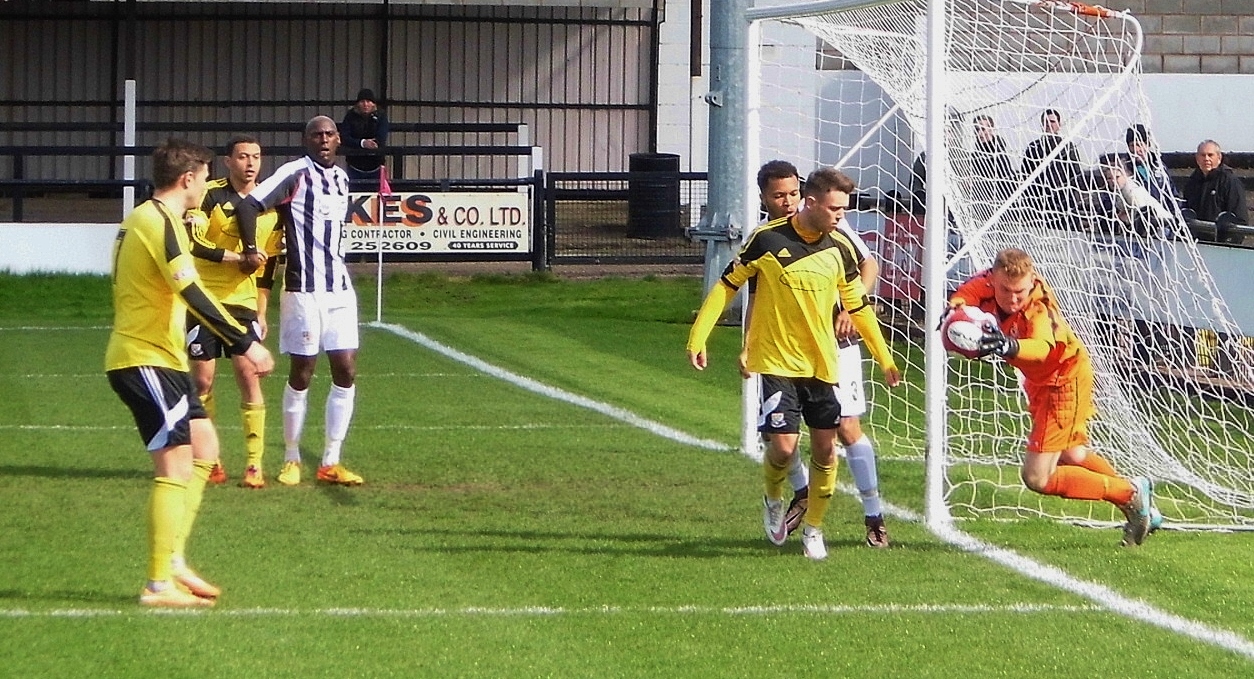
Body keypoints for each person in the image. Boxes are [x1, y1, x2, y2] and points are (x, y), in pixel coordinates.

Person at [687, 167, 902, 561]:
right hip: (778, 362)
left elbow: (858, 305)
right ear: (813, 202)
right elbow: (728, 286)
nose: (841, 216)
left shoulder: (840, 246)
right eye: (835, 208)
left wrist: (884, 357)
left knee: (826, 451)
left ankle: (814, 529)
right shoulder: (766, 239)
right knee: (784, 448)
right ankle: (773, 497)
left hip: (823, 365)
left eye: (844, 209)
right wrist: (699, 337)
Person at [105, 138, 275, 607]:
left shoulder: (149, 218)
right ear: (187, 179)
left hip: (162, 358)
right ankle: (159, 582)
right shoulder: (158, 221)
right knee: (176, 466)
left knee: (204, 447)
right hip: (145, 358)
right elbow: (192, 292)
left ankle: (173, 558)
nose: (206, 186)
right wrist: (246, 343)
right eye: (203, 178)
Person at [945, 248, 1158, 547]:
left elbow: (1042, 348)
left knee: (1037, 477)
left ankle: (1130, 494)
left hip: (1063, 379)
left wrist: (1009, 346)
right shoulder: (988, 281)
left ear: (1032, 282)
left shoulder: (1039, 307)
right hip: (1041, 381)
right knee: (1073, 455)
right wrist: (954, 309)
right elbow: (966, 294)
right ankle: (1143, 507)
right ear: (993, 279)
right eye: (1005, 290)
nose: (1013, 298)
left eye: (1020, 292)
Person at [745, 160, 893, 548]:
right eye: (779, 196)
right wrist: (748, 344)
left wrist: (852, 309)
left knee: (846, 427)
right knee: (781, 435)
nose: (787, 201)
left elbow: (869, 264)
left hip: (835, 346)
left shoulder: (831, 226)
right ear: (764, 198)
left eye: (793, 193)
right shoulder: (765, 239)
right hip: (785, 352)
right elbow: (755, 296)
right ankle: (801, 493)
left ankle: (874, 515)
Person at [236, 116, 363, 487]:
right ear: (306, 140)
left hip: (339, 289)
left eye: (329, 134)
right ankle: (291, 457)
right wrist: (250, 249)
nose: (323, 140)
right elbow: (249, 205)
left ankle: (331, 460)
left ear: (337, 139)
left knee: (346, 369)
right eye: (316, 135)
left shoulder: (342, 179)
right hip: (302, 290)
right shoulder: (294, 173)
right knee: (303, 371)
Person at [185, 135, 285, 488]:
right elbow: (195, 244)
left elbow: (267, 268)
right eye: (242, 156)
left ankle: (254, 465)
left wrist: (262, 312)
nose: (250, 163)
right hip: (204, 299)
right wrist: (239, 258)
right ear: (228, 161)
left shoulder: (271, 204)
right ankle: (209, 460)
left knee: (249, 374)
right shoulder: (209, 194)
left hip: (243, 303)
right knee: (202, 380)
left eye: (256, 156)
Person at [1021, 108, 1084, 227]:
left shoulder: (1066, 147)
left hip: (1062, 202)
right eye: (1046, 122)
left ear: (1059, 125)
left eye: (1052, 121)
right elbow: (1025, 174)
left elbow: (1076, 174)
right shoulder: (1033, 148)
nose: (1049, 125)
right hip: (1038, 202)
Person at [1183, 139, 1248, 225]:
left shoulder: (1230, 182)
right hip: (1195, 233)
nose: (1206, 159)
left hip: (1219, 233)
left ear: (1219, 157)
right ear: (1197, 158)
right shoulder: (1192, 182)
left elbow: (1240, 218)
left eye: (1210, 155)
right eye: (1203, 155)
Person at [340, 88, 390, 191]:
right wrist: (362, 143)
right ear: (358, 104)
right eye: (362, 101)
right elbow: (344, 137)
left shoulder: (381, 116)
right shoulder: (350, 116)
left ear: (373, 104)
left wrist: (373, 143)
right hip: (354, 166)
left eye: (368, 101)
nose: (365, 104)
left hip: (376, 166)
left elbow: (381, 137)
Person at [1125, 124, 1178, 214]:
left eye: (1139, 144)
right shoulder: (1125, 169)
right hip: (1139, 217)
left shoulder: (1159, 166)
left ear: (1147, 144)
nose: (1136, 150)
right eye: (1132, 145)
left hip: (1164, 216)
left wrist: (1175, 213)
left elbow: (1171, 192)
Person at [970, 114, 1019, 211]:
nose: (979, 133)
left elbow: (1004, 175)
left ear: (991, 129)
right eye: (977, 129)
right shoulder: (975, 154)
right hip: (983, 201)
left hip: (1002, 199)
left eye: (983, 129)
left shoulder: (998, 150)